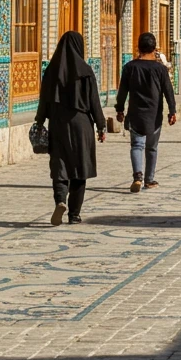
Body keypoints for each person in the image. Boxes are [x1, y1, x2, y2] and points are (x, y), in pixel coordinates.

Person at [34, 31, 105, 225]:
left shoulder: (51, 71)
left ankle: (60, 200)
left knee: (60, 165)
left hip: (58, 123)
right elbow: (94, 102)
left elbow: (44, 100)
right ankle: (74, 214)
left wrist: (39, 121)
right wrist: (101, 126)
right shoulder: (86, 71)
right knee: (80, 168)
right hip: (82, 124)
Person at [115, 32, 177, 192]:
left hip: (136, 113)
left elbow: (123, 91)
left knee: (137, 145)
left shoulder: (130, 67)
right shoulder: (160, 69)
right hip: (154, 114)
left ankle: (137, 177)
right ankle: (149, 180)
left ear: (138, 47)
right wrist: (172, 111)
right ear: (154, 48)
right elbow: (168, 91)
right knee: (152, 147)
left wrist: (119, 109)